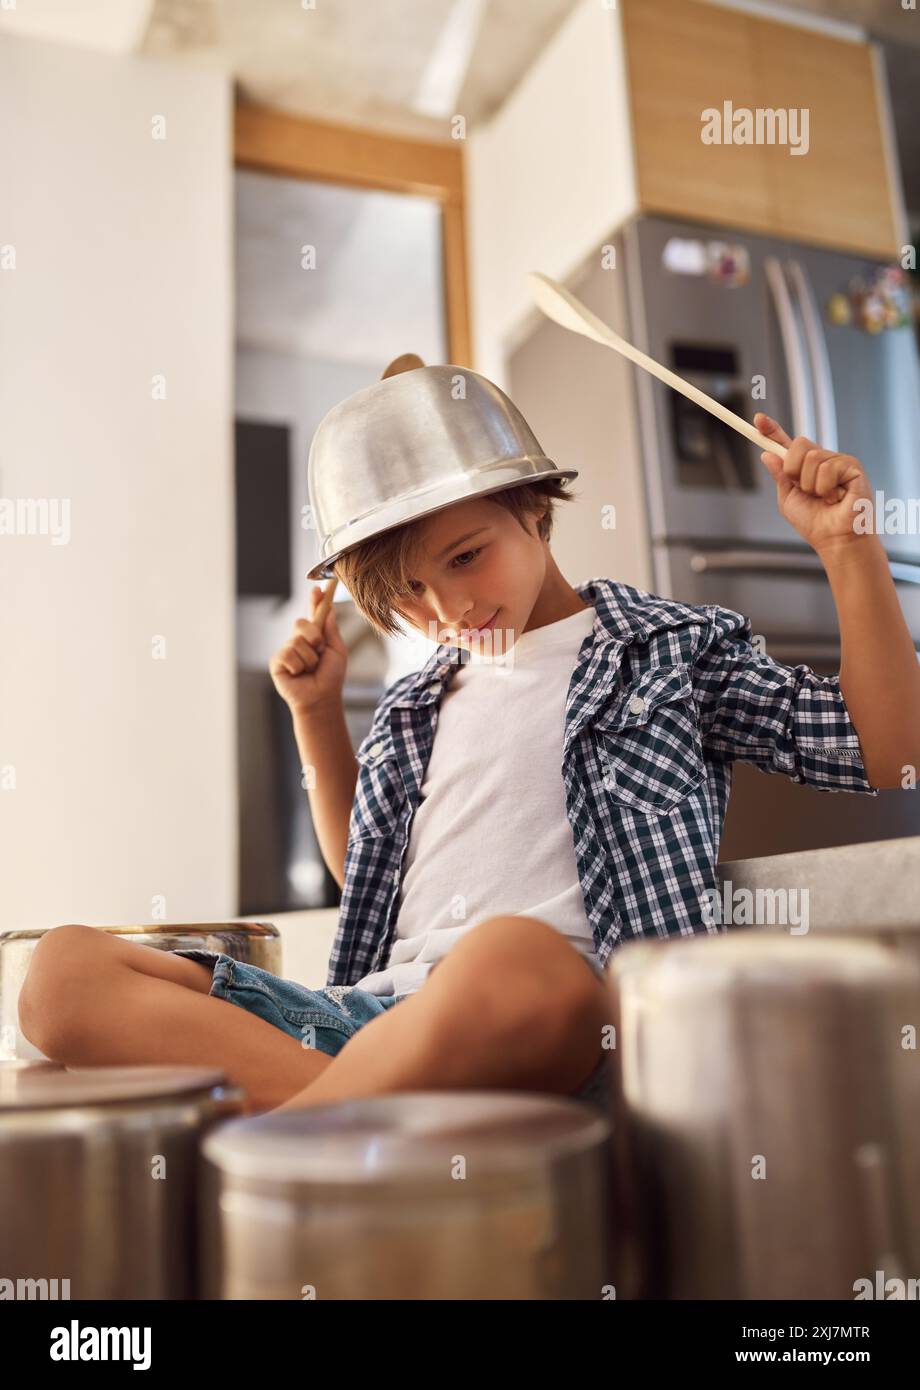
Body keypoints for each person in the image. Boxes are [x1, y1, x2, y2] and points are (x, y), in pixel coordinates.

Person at [19, 360, 919, 1119]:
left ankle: (287, 1132)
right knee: (61, 976)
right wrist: (317, 715)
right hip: (369, 1024)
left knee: (507, 954)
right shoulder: (416, 704)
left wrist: (848, 551)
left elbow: (887, 753)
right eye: (409, 594)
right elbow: (366, 869)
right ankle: (343, 1122)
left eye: (464, 557)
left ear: (534, 505)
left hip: (554, 1017)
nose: (448, 611)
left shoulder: (667, 651)